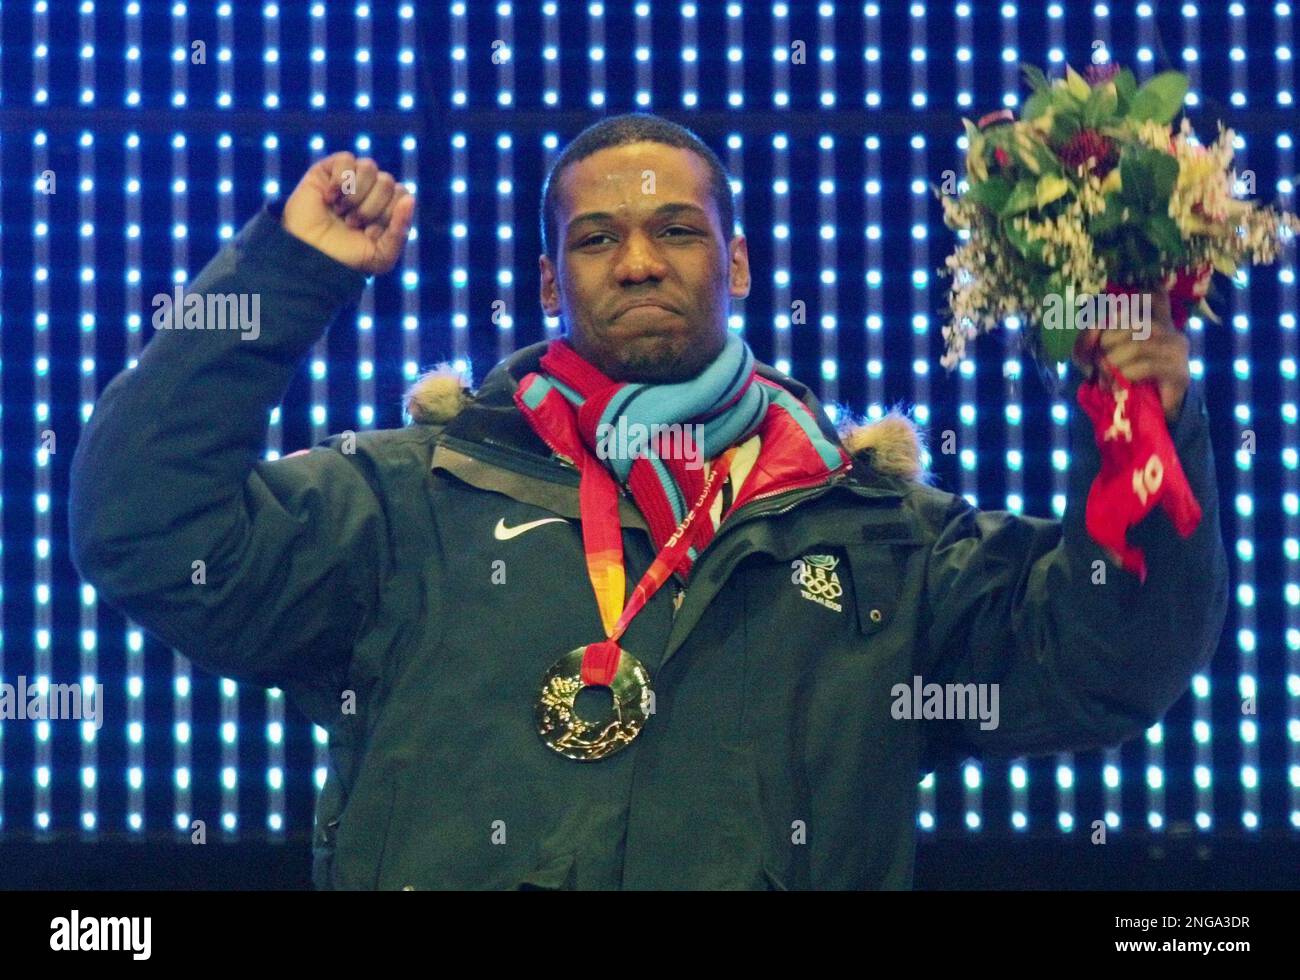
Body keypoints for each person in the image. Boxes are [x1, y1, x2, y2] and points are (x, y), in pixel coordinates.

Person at [69, 113, 1228, 890]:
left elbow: (1109, 657)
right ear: (549, 280)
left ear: (737, 263)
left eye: (677, 229)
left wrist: (1144, 434)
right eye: (596, 237)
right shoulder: (410, 503)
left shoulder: (883, 541)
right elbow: (148, 527)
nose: (637, 260)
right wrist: (288, 272)